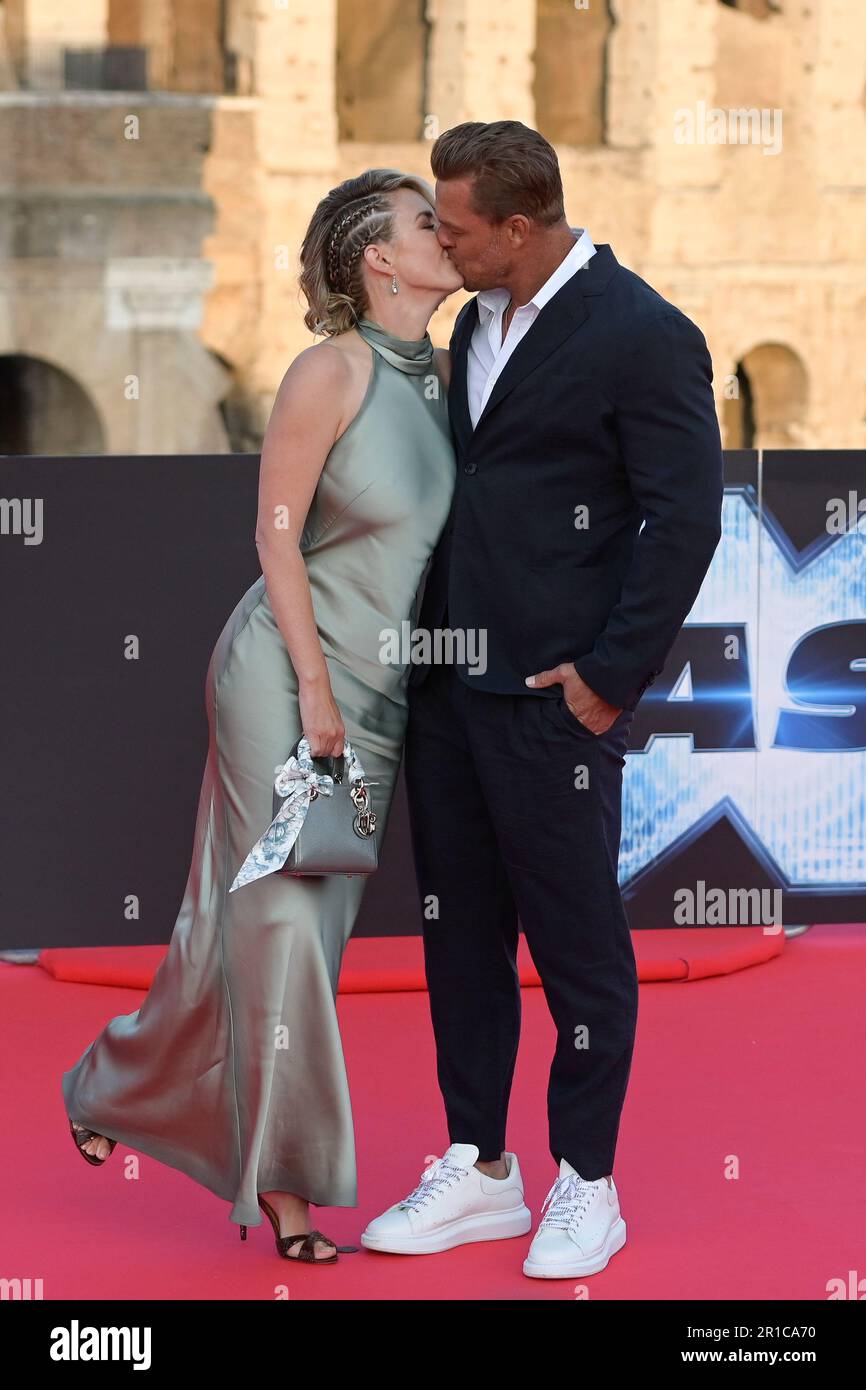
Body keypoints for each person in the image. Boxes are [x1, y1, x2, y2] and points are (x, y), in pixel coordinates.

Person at [61, 168, 463, 1263]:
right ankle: (283, 1186)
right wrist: (317, 692)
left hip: (378, 698)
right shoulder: (328, 371)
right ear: (377, 258)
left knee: (268, 931)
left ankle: (113, 1080)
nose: (448, 230)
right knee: (280, 927)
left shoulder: (453, 374)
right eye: (426, 220)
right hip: (283, 679)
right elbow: (275, 536)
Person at [361, 121, 724, 1279]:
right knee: (458, 936)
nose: (440, 241)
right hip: (450, 690)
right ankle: (477, 1167)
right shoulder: (475, 320)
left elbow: (687, 519)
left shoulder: (644, 334)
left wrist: (610, 676)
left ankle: (586, 1182)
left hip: (552, 702)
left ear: (518, 227)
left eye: (455, 227)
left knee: (573, 947)